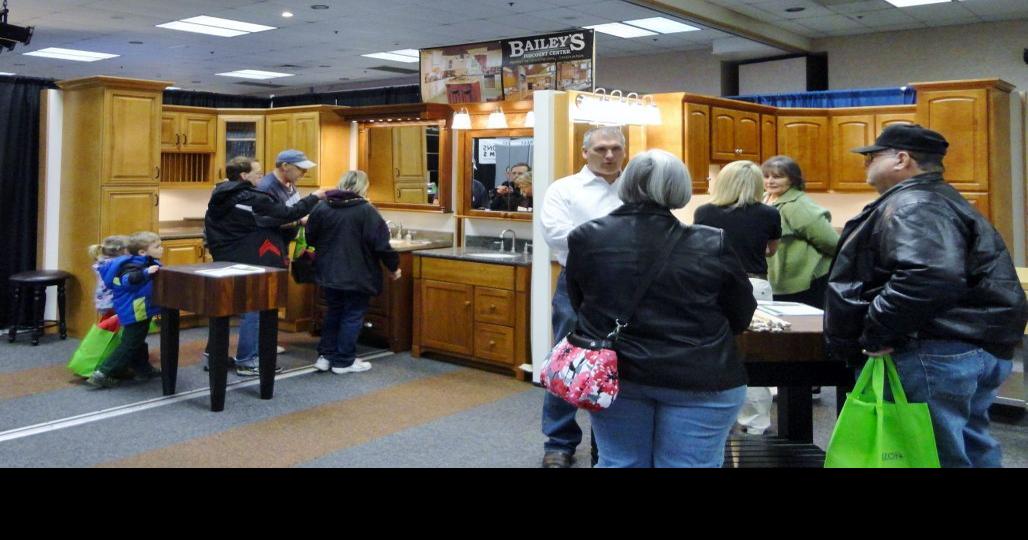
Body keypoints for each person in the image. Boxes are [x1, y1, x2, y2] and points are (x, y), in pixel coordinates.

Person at [825, 124, 1028, 468]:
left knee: (931, 455)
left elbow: (930, 275)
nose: (865, 165)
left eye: (872, 157)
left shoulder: (914, 203)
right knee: (969, 448)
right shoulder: (939, 199)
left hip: (932, 350)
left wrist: (876, 332)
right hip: (967, 345)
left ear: (901, 158)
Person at [566, 149, 756, 467]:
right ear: (678, 189)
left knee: (620, 462)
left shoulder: (587, 238)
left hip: (617, 374)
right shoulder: (712, 242)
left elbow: (580, 304)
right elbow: (741, 314)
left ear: (626, 185)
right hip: (701, 375)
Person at [538, 125, 626, 468]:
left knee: (625, 359)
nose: (609, 155)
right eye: (601, 149)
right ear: (584, 152)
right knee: (568, 359)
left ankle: (617, 440)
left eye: (616, 149)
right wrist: (619, 245)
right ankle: (558, 442)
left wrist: (596, 239)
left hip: (628, 286)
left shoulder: (636, 189)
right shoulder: (565, 189)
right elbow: (558, 235)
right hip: (579, 284)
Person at [203, 156, 327, 376]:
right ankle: (247, 360)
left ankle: (214, 356)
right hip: (249, 261)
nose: (262, 176)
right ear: (244, 176)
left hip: (225, 259)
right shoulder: (251, 197)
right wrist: (315, 198)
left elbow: (255, 221)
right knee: (254, 309)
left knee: (223, 309)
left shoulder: (220, 193)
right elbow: (287, 213)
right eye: (258, 173)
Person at [694, 160, 781, 435]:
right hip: (754, 284)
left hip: (713, 284)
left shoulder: (704, 212)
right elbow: (771, 250)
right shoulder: (769, 213)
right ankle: (756, 423)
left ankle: (715, 415)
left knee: (713, 349)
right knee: (756, 354)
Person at [306, 170, 401, 374]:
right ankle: (344, 361)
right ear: (363, 187)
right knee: (352, 315)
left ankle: (325, 356)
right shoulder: (366, 211)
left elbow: (311, 237)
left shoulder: (322, 207)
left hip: (328, 271)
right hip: (358, 273)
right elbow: (382, 245)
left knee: (333, 313)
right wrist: (393, 268)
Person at [86, 231, 164, 388]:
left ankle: (143, 369)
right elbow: (128, 281)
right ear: (143, 251)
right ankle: (103, 373)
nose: (162, 248)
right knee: (130, 343)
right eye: (157, 246)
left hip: (139, 308)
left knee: (138, 340)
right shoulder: (134, 265)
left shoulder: (144, 261)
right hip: (135, 310)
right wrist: (146, 273)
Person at [761, 155, 838, 308]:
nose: (770, 181)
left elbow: (832, 242)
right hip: (779, 279)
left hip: (804, 282)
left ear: (792, 179)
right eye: (766, 176)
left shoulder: (798, 205)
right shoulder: (765, 199)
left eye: (777, 177)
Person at [87, 235, 129, 322]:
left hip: (103, 301)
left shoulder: (102, 263)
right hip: (112, 301)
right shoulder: (116, 265)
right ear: (121, 250)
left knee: (109, 324)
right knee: (114, 325)